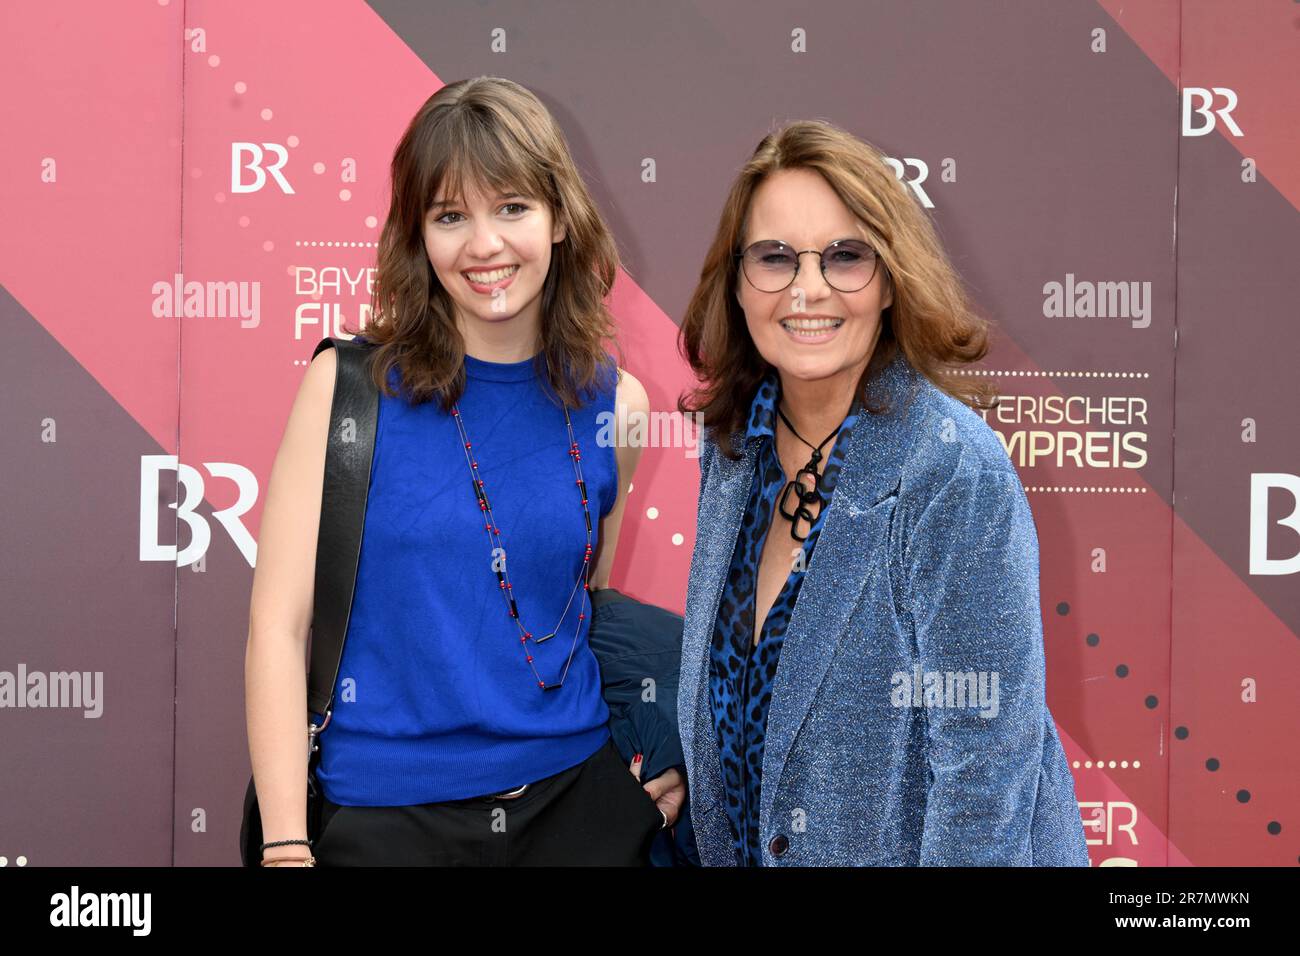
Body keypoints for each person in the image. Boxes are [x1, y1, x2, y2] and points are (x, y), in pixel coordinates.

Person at [245, 76, 683, 866]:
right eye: (451, 216)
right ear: (419, 236)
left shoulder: (616, 404)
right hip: (383, 817)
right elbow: (277, 629)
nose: (485, 245)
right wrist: (284, 842)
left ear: (558, 221)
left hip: (575, 806)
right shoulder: (350, 388)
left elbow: (583, 609)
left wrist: (662, 739)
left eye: (512, 207)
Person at [674, 119, 1090, 866]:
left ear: (890, 277)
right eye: (775, 258)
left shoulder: (951, 468)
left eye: (845, 257)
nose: (808, 289)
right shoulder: (733, 449)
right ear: (736, 282)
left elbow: (986, 777)